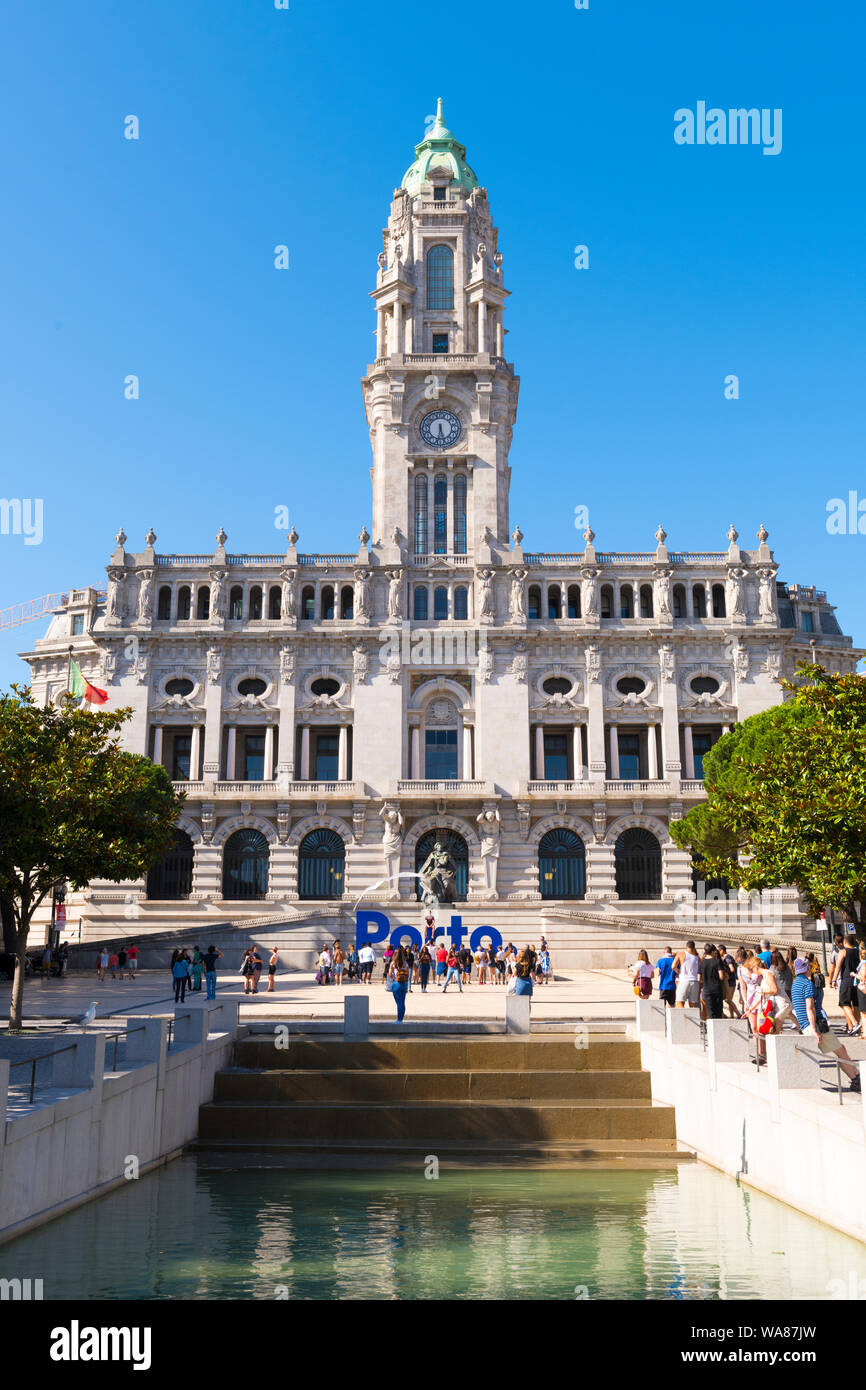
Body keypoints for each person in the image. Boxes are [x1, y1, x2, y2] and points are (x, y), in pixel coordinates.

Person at [791, 957, 860, 1092]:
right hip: (816, 1025)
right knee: (841, 1051)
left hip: (805, 1025)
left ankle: (857, 1075)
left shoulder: (795, 984)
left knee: (842, 1049)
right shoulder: (807, 984)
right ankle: (856, 1079)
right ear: (807, 969)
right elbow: (809, 1007)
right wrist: (815, 1030)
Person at [830, 932, 862, 1036]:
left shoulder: (843, 952)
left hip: (846, 980)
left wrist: (834, 980)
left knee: (844, 1003)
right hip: (856, 981)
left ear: (844, 941)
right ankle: (855, 1028)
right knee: (856, 1005)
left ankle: (855, 1023)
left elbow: (838, 967)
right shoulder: (858, 952)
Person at [698, 944, 724, 1020]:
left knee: (710, 1012)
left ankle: (711, 1030)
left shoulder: (702, 963)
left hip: (707, 990)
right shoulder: (717, 961)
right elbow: (721, 977)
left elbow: (698, 979)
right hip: (717, 989)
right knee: (718, 1012)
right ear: (713, 951)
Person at [674, 941, 700, 1009]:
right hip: (695, 981)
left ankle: (682, 1019)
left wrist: (678, 971)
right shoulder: (697, 957)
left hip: (684, 980)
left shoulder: (681, 954)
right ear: (694, 947)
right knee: (693, 1006)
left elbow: (673, 966)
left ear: (686, 947)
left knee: (680, 1003)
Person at [389, 945, 411, 1022]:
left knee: (398, 1003)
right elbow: (408, 974)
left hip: (396, 983)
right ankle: (400, 1019)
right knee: (402, 1002)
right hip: (404, 984)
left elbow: (390, 974)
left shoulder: (393, 963)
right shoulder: (405, 963)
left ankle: (398, 1020)